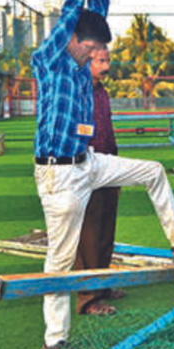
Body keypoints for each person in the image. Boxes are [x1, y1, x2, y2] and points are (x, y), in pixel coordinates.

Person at [32, 0, 174, 349]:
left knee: (152, 170)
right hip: (60, 177)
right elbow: (74, 10)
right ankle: (54, 340)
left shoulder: (81, 69)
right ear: (75, 41)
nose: (99, 55)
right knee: (60, 261)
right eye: (93, 47)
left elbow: (98, 6)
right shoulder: (52, 60)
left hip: (88, 161)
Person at [73, 48, 124, 316]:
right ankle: (88, 298)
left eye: (107, 60)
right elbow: (77, 128)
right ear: (87, 62)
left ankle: (103, 287)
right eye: (101, 61)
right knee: (89, 235)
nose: (106, 65)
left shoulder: (101, 91)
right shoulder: (76, 90)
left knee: (106, 229)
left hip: (108, 164)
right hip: (86, 167)